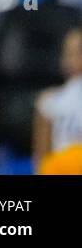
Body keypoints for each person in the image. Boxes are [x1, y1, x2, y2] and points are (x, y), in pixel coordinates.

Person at [34, 26, 82, 173]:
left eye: (79, 53)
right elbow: (40, 159)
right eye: (68, 54)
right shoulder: (49, 100)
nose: (73, 60)